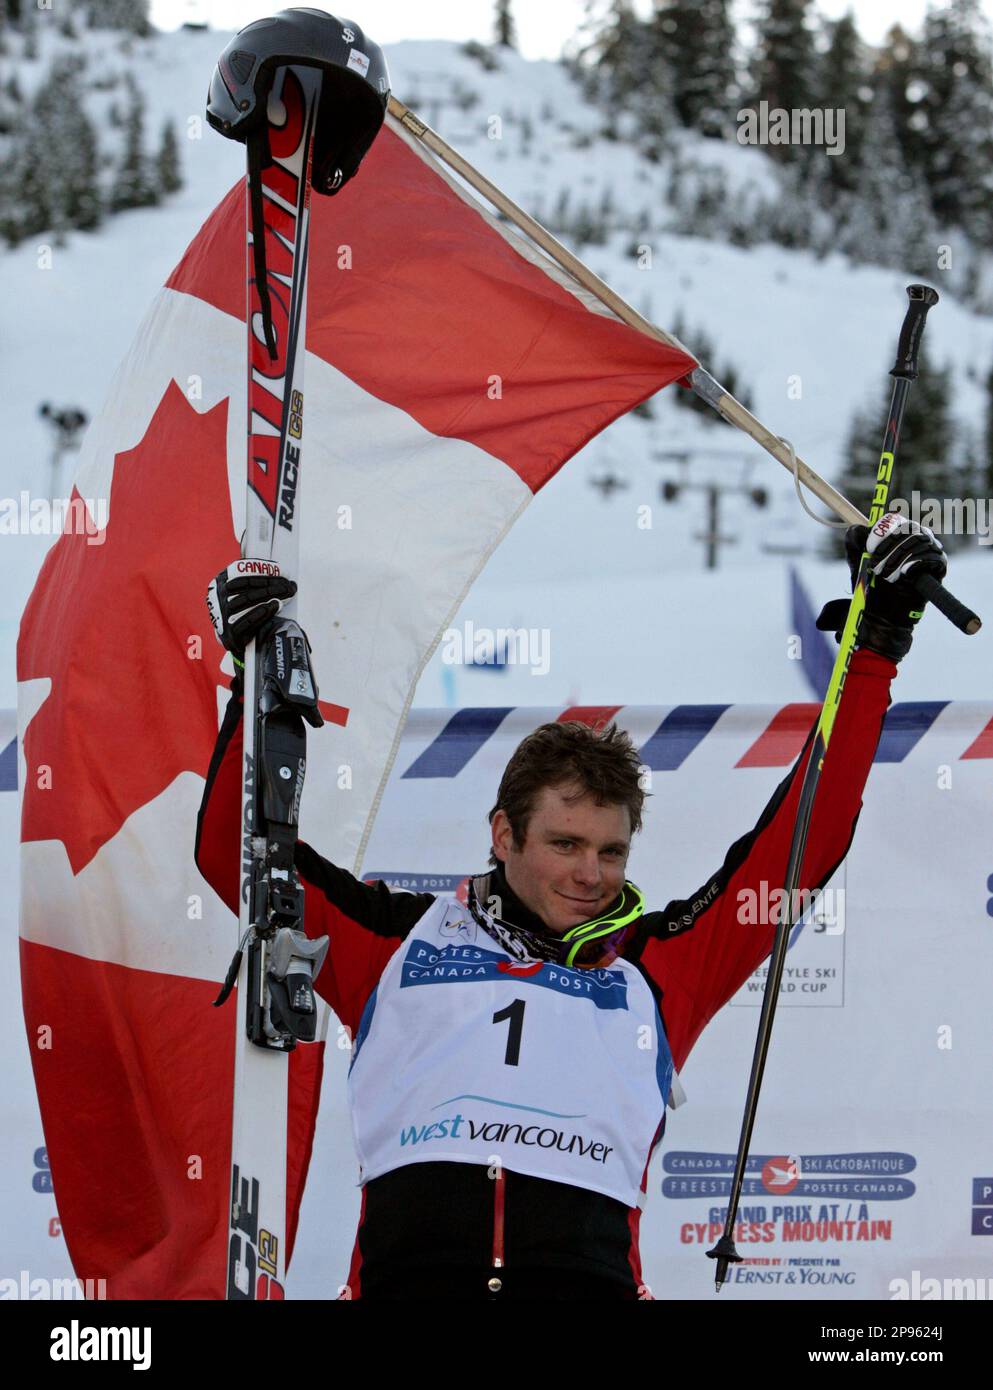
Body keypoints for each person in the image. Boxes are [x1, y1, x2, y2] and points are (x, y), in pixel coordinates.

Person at [196, 515, 947, 1301]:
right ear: (502, 834)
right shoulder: (396, 937)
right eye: (563, 844)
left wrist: (873, 646)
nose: (591, 873)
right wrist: (251, 679)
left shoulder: (656, 967)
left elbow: (801, 846)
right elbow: (232, 856)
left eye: (611, 850)